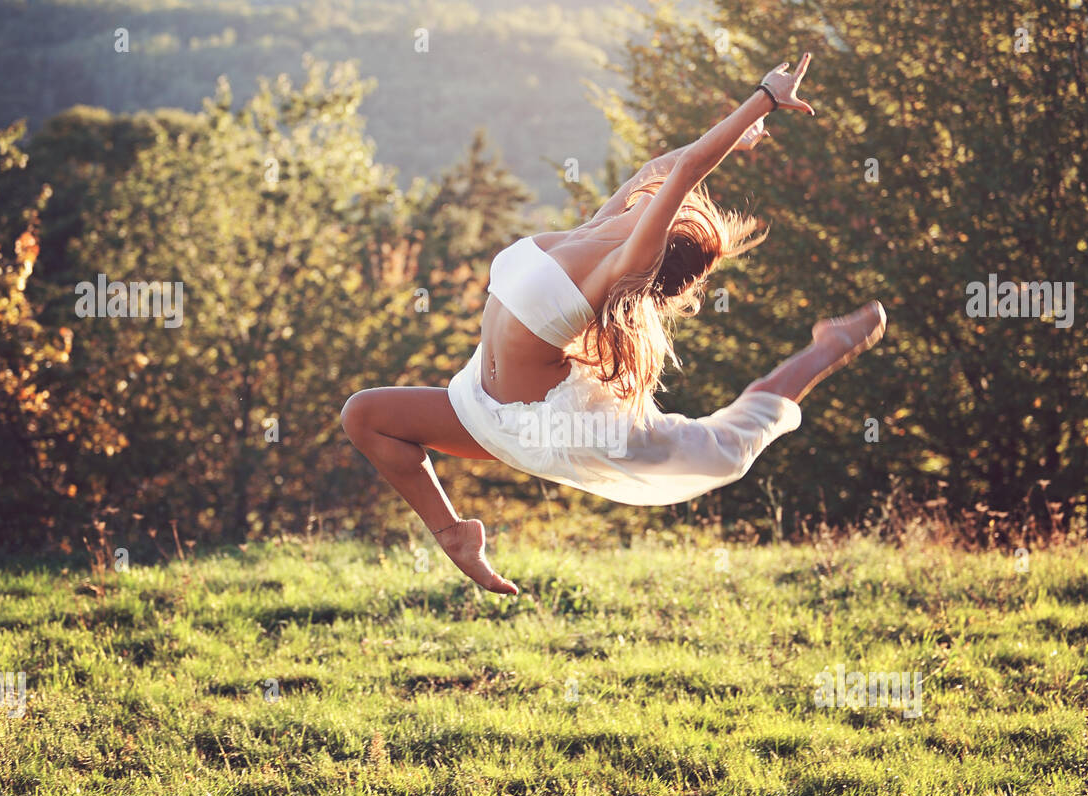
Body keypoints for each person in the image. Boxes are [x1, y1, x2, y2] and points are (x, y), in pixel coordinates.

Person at [342, 53, 886, 594]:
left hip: (564, 432)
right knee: (364, 415)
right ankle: (456, 536)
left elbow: (692, 166)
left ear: (658, 235)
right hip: (483, 408)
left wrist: (765, 96)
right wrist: (742, 136)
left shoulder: (622, 261)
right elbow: (661, 170)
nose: (651, 195)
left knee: (728, 443)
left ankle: (826, 347)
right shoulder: (597, 229)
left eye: (662, 209)